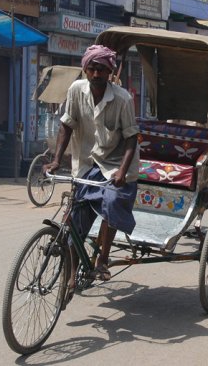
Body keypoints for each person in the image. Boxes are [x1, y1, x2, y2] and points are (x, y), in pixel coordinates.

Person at [43, 44, 139, 306]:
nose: (96, 73)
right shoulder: (76, 90)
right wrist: (55, 160)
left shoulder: (122, 99)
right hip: (86, 164)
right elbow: (66, 125)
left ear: (110, 73)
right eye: (92, 68)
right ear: (85, 69)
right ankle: (71, 276)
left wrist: (121, 171)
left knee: (110, 202)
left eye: (102, 69)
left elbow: (131, 139)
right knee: (75, 222)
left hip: (117, 165)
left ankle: (102, 260)